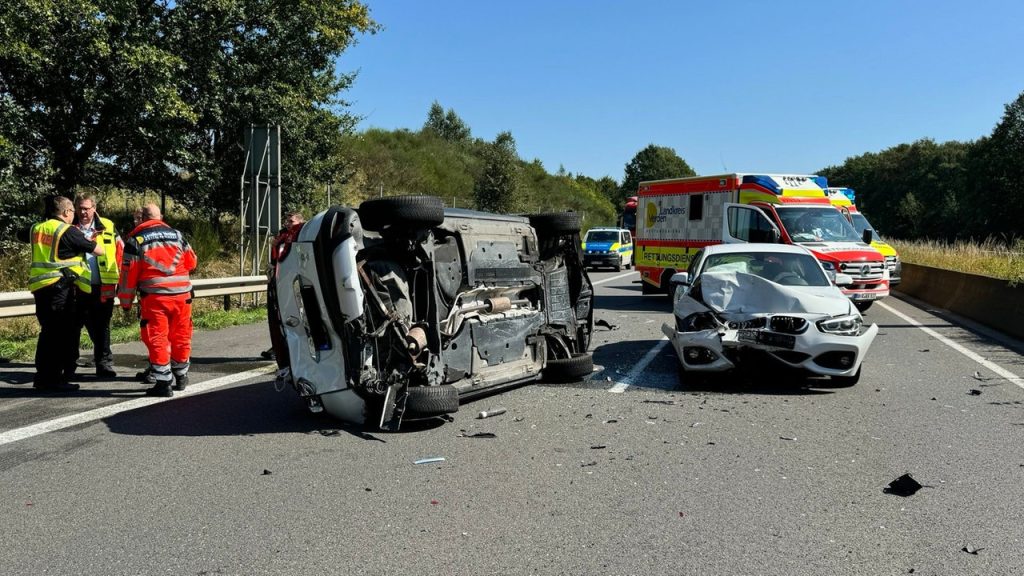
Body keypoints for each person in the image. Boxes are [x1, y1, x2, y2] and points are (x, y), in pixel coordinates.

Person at [19, 195, 105, 391]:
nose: (74, 215)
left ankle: (43, 377)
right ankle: (53, 380)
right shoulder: (67, 231)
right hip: (60, 289)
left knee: (47, 333)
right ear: (66, 212)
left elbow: (19, 234)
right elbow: (99, 250)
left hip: (40, 289)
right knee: (58, 335)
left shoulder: (36, 228)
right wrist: (86, 240)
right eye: (73, 212)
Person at [118, 203, 197, 397]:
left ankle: (163, 383)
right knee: (181, 336)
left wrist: (125, 302)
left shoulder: (136, 240)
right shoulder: (178, 235)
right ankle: (181, 375)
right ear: (160, 216)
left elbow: (128, 276)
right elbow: (192, 262)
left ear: (143, 218)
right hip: (182, 297)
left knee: (157, 338)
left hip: (155, 299)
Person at [73, 191, 123, 377]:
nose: (83, 212)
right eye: (80, 208)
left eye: (87, 208)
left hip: (104, 285)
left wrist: (121, 280)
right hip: (77, 286)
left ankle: (104, 364)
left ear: (94, 208)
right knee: (74, 326)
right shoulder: (69, 227)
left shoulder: (108, 225)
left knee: (102, 326)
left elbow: (120, 252)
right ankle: (70, 365)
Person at [263, 211, 305, 368]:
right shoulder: (281, 236)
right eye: (286, 221)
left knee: (297, 315)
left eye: (291, 221)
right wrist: (272, 267)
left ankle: (298, 346)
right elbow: (276, 256)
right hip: (280, 280)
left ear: (300, 222)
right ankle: (279, 347)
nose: (288, 223)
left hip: (296, 280)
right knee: (278, 314)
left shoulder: (302, 234)